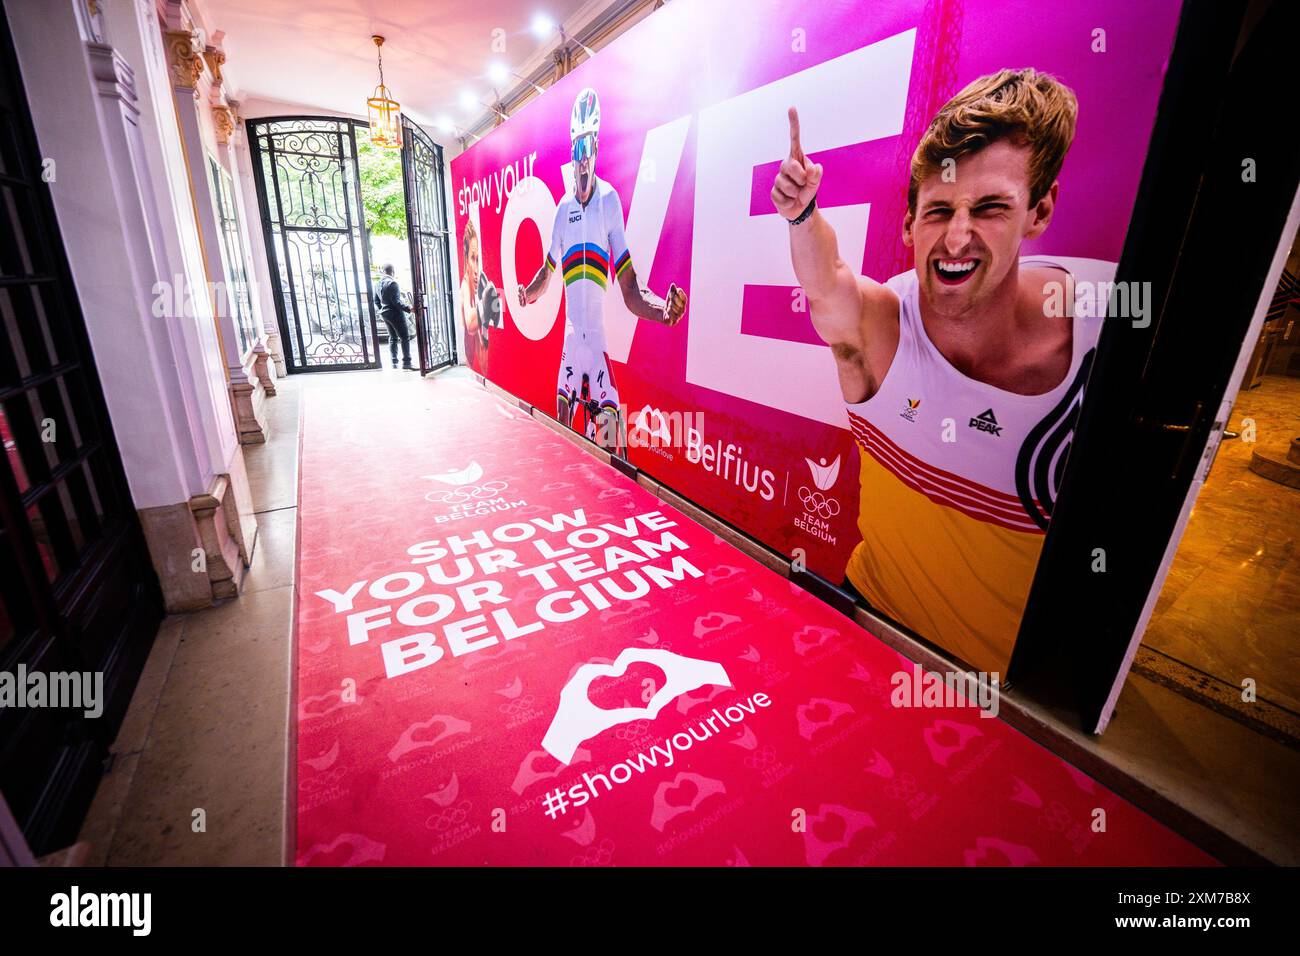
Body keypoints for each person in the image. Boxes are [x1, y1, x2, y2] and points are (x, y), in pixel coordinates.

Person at [773, 69, 1108, 673]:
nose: (957, 238)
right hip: (866, 620)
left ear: (1039, 211)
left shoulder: (1105, 331)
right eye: (939, 211)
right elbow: (827, 285)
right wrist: (802, 215)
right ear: (909, 225)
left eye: (990, 208)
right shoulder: (881, 326)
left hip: (1011, 697)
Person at [517, 87, 687, 456]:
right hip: (569, 344)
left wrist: (663, 311)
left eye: (588, 148)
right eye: (576, 148)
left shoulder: (609, 201)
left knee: (615, 452)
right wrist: (527, 294)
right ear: (571, 151)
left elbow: (631, 289)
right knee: (564, 446)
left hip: (595, 344)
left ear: (596, 149)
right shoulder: (562, 209)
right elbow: (547, 271)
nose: (582, 159)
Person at [460, 220, 491, 375]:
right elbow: (471, 325)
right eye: (473, 258)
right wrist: (489, 303)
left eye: (478, 259)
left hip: (474, 371)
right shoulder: (465, 285)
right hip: (470, 371)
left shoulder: (476, 287)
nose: (477, 268)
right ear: (466, 258)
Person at [374, 263, 415, 370]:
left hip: (385, 314)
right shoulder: (393, 283)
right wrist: (409, 308)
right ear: (393, 271)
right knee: (404, 337)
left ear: (383, 271)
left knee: (392, 337)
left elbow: (376, 301)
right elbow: (396, 302)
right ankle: (407, 363)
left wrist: (383, 310)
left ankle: (394, 361)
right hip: (395, 314)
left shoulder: (377, 284)